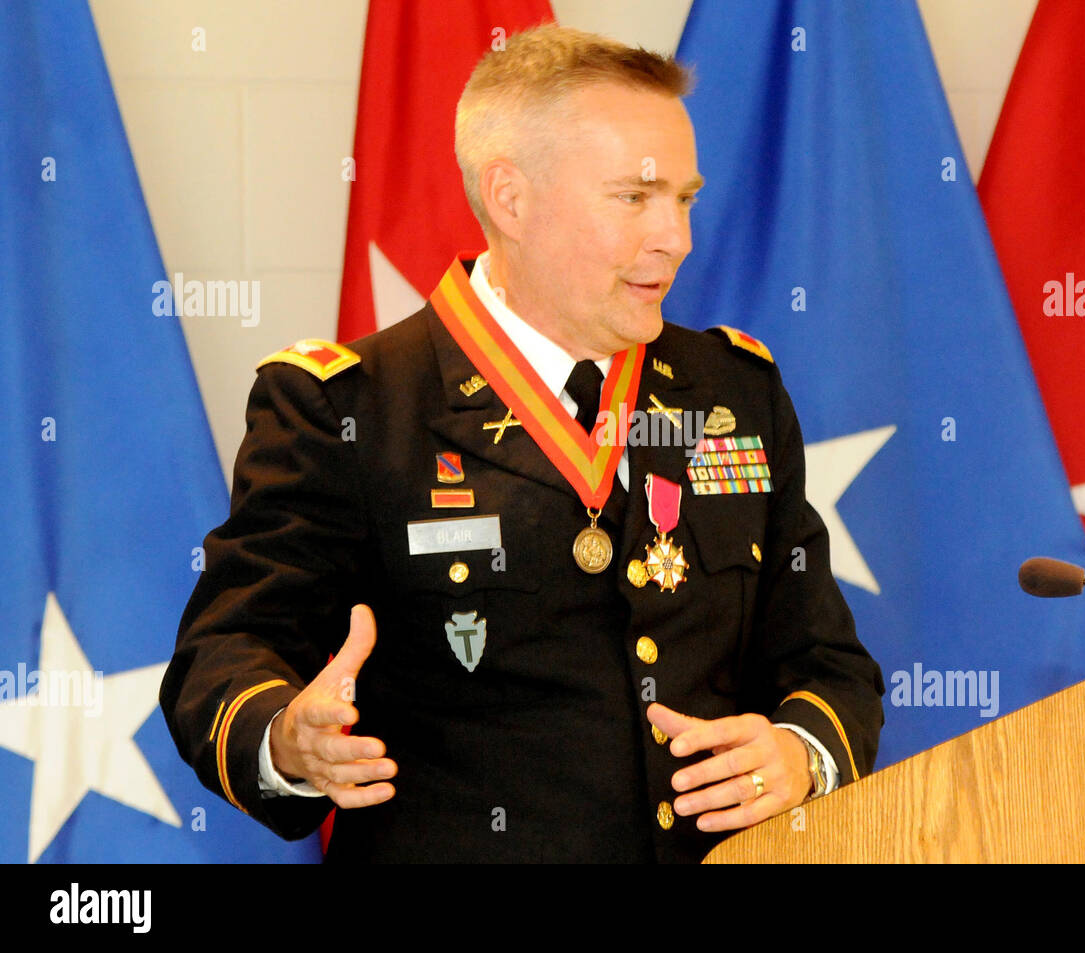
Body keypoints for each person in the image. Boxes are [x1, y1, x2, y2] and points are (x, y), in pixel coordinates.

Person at [160, 24, 885, 863]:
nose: (676, 237)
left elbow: (829, 663)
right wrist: (286, 738)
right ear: (511, 198)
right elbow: (220, 656)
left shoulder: (736, 391)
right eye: (634, 197)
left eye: (684, 199)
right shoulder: (348, 408)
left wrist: (801, 753)